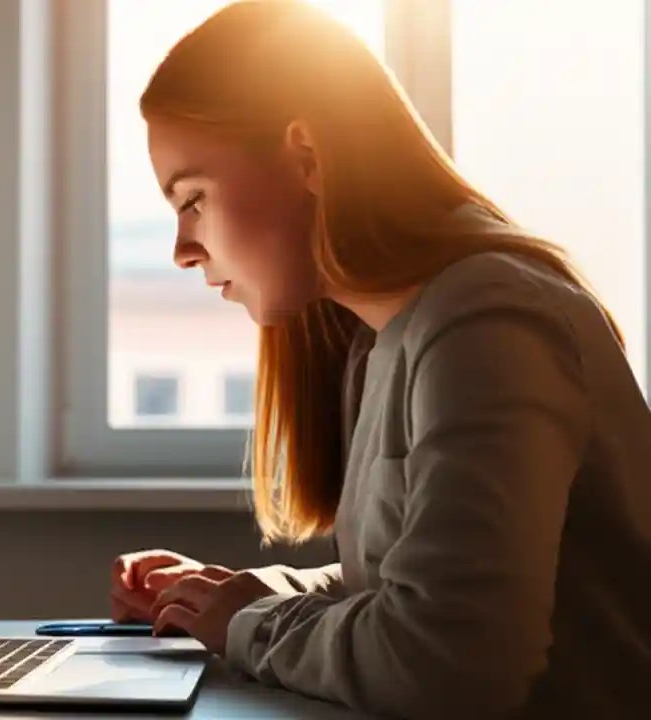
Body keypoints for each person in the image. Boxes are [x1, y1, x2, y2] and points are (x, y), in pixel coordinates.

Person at [107, 1, 651, 718]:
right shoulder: (390, 333)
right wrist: (235, 597)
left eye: (193, 198)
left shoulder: (487, 323)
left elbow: (447, 660)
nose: (182, 249)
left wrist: (249, 625)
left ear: (306, 156)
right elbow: (404, 592)